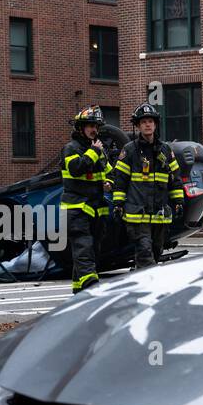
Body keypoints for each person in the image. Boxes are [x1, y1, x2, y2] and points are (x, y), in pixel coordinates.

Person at [109, 104, 184, 270]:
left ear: (155, 124)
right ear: (138, 126)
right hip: (137, 215)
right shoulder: (130, 151)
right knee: (145, 254)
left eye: (150, 121)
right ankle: (145, 286)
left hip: (159, 215)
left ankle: (137, 280)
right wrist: (118, 204)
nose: (147, 124)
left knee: (156, 253)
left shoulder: (165, 150)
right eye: (143, 122)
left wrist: (178, 201)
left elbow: (175, 179)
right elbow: (120, 180)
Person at [60, 106, 111, 292]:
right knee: (84, 249)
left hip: (96, 209)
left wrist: (109, 182)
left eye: (96, 126)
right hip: (76, 209)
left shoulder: (98, 149)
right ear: (80, 128)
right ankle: (91, 288)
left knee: (92, 252)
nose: (94, 130)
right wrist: (93, 153)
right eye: (90, 125)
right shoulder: (71, 148)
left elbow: (109, 172)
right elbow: (75, 167)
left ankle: (78, 291)